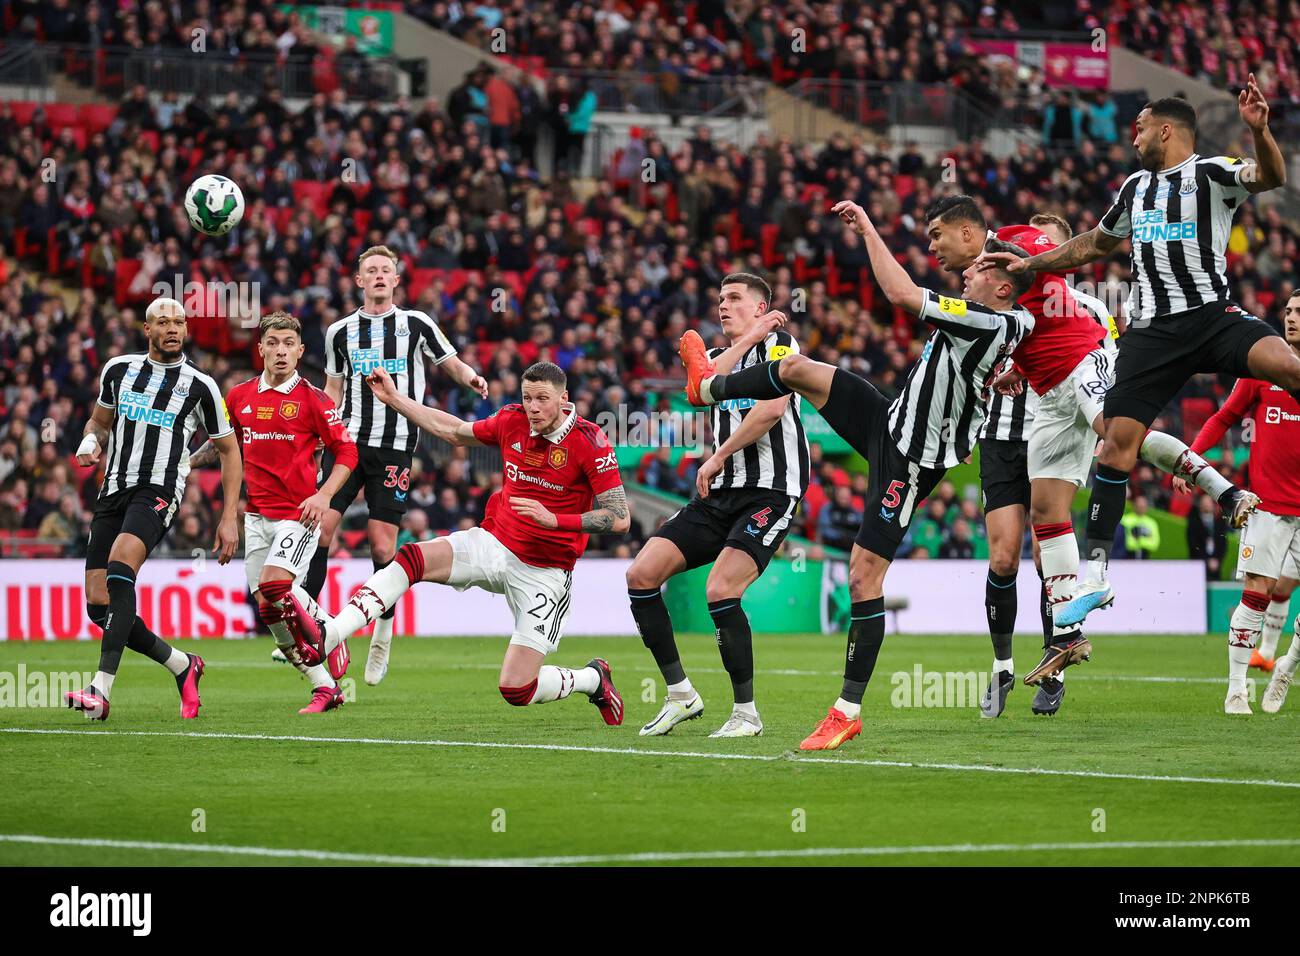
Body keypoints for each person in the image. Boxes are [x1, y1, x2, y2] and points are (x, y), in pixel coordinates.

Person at [680, 199, 1034, 751]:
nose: (966, 270)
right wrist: (1003, 376)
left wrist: (867, 225)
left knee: (863, 577)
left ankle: (847, 710)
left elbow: (899, 294)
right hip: (888, 418)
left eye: (980, 267)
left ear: (1005, 285)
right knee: (795, 369)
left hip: (910, 459)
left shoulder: (989, 321)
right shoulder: (1002, 322)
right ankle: (705, 386)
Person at [987, 83, 1300, 689]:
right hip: (1152, 334)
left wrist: (1260, 128)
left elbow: (1270, 177)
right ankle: (1097, 576)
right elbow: (1093, 245)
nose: (1131, 136)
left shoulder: (1210, 173)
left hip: (1212, 317)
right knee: (1115, 445)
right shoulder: (1134, 190)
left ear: (1165, 131)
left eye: (1138, 126)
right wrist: (1032, 264)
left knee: (1288, 367)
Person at [934, 195, 1244, 717]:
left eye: (936, 235)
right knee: (1045, 514)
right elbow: (1026, 326)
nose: (932, 249)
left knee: (1117, 435)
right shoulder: (987, 288)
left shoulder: (1015, 245)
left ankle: (1223, 489)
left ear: (968, 235)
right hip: (1048, 392)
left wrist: (1037, 254)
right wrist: (1019, 369)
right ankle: (1065, 634)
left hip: (1085, 361)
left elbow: (1057, 259)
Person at [287, 362, 629, 725]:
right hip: (494, 543)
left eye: (542, 399)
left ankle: (592, 679)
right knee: (411, 559)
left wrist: (555, 520)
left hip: (544, 571)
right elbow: (452, 430)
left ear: (564, 399)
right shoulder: (512, 420)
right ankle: (331, 635)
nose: (533, 407)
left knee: (517, 689)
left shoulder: (591, 441)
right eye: (527, 398)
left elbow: (619, 517)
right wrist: (393, 398)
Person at [626, 272, 808, 739]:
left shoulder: (782, 345)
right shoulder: (714, 357)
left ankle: (747, 714)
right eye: (719, 299)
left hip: (770, 491)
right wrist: (748, 334)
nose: (723, 306)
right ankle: (680, 695)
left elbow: (770, 409)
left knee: (720, 588)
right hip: (719, 494)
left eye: (734, 298)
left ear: (763, 306)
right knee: (640, 575)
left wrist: (716, 457)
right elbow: (698, 386)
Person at [307, 245, 487, 686]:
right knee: (320, 528)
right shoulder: (340, 332)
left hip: (396, 444)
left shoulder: (416, 324)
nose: (380, 276)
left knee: (383, 549)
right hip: (347, 442)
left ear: (397, 279)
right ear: (359, 281)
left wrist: (472, 378)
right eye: (372, 270)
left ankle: (382, 634)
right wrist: (321, 432)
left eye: (387, 270)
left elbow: (450, 361)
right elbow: (332, 390)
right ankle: (309, 630)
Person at [64, 297, 242, 721]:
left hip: (159, 488)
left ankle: (100, 690)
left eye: (179, 321)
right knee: (97, 603)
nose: (173, 327)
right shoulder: (118, 370)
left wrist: (229, 515)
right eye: (163, 321)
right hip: (113, 489)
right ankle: (182, 664)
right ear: (148, 330)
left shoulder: (202, 386)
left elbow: (229, 451)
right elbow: (99, 422)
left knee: (121, 563)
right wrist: (91, 441)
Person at [190, 311, 358, 714]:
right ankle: (325, 687)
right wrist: (183, 463)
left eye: (288, 344)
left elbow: (347, 451)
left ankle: (329, 633)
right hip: (256, 517)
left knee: (275, 588)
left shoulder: (314, 400)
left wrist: (324, 496)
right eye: (273, 343)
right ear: (260, 348)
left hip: (299, 515)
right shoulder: (239, 396)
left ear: (300, 352)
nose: (281, 351)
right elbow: (222, 446)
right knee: (270, 612)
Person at [1182, 290, 1300, 707]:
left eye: (1299, 313)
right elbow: (1225, 415)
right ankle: (1236, 689)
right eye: (1288, 311)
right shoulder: (1264, 365)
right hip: (1266, 504)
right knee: (1256, 594)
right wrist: (1191, 460)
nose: (1291, 318)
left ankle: (1284, 668)